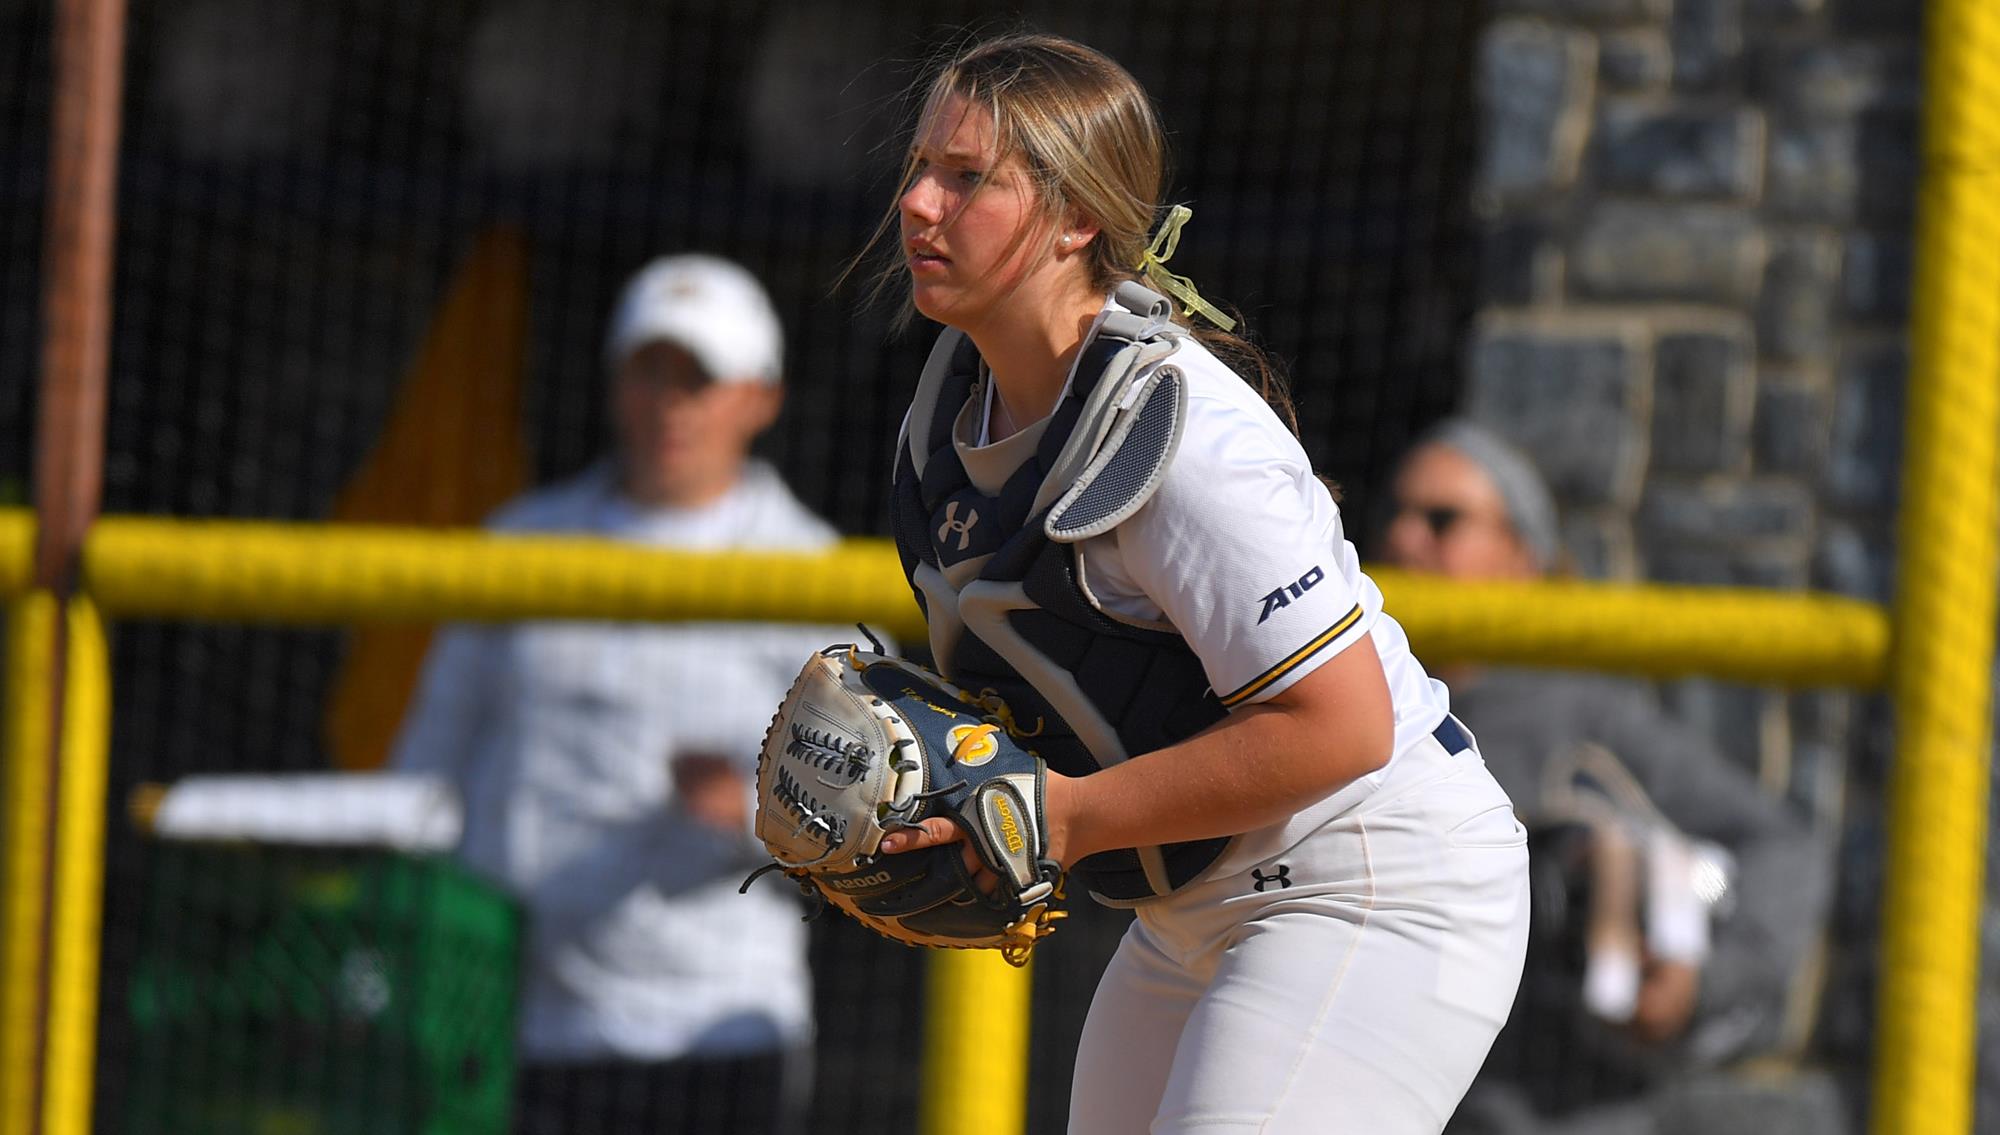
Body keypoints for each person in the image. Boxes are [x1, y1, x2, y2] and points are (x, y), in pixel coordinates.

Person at [856, 34, 1530, 1134]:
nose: (918, 204)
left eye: (968, 177)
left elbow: (1342, 724)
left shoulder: (1176, 433)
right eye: (918, 166)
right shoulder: (947, 420)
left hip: (1369, 876)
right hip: (1192, 912)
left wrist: (1059, 819)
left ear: (1076, 218)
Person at [390, 253, 840, 1135]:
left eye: (698, 377)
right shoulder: (517, 547)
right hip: (521, 1024)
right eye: (649, 369)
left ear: (760, 397)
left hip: (724, 1025)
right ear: (612, 382)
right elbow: (429, 762)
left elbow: (882, 832)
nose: (669, 402)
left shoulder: (819, 576)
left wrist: (758, 813)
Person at [1380, 419, 1837, 1134]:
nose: (1406, 540)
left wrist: (1695, 982)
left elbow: (1782, 842)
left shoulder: (1584, 718)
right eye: (1396, 516)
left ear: (1521, 554)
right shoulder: (1361, 713)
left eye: (1443, 520)